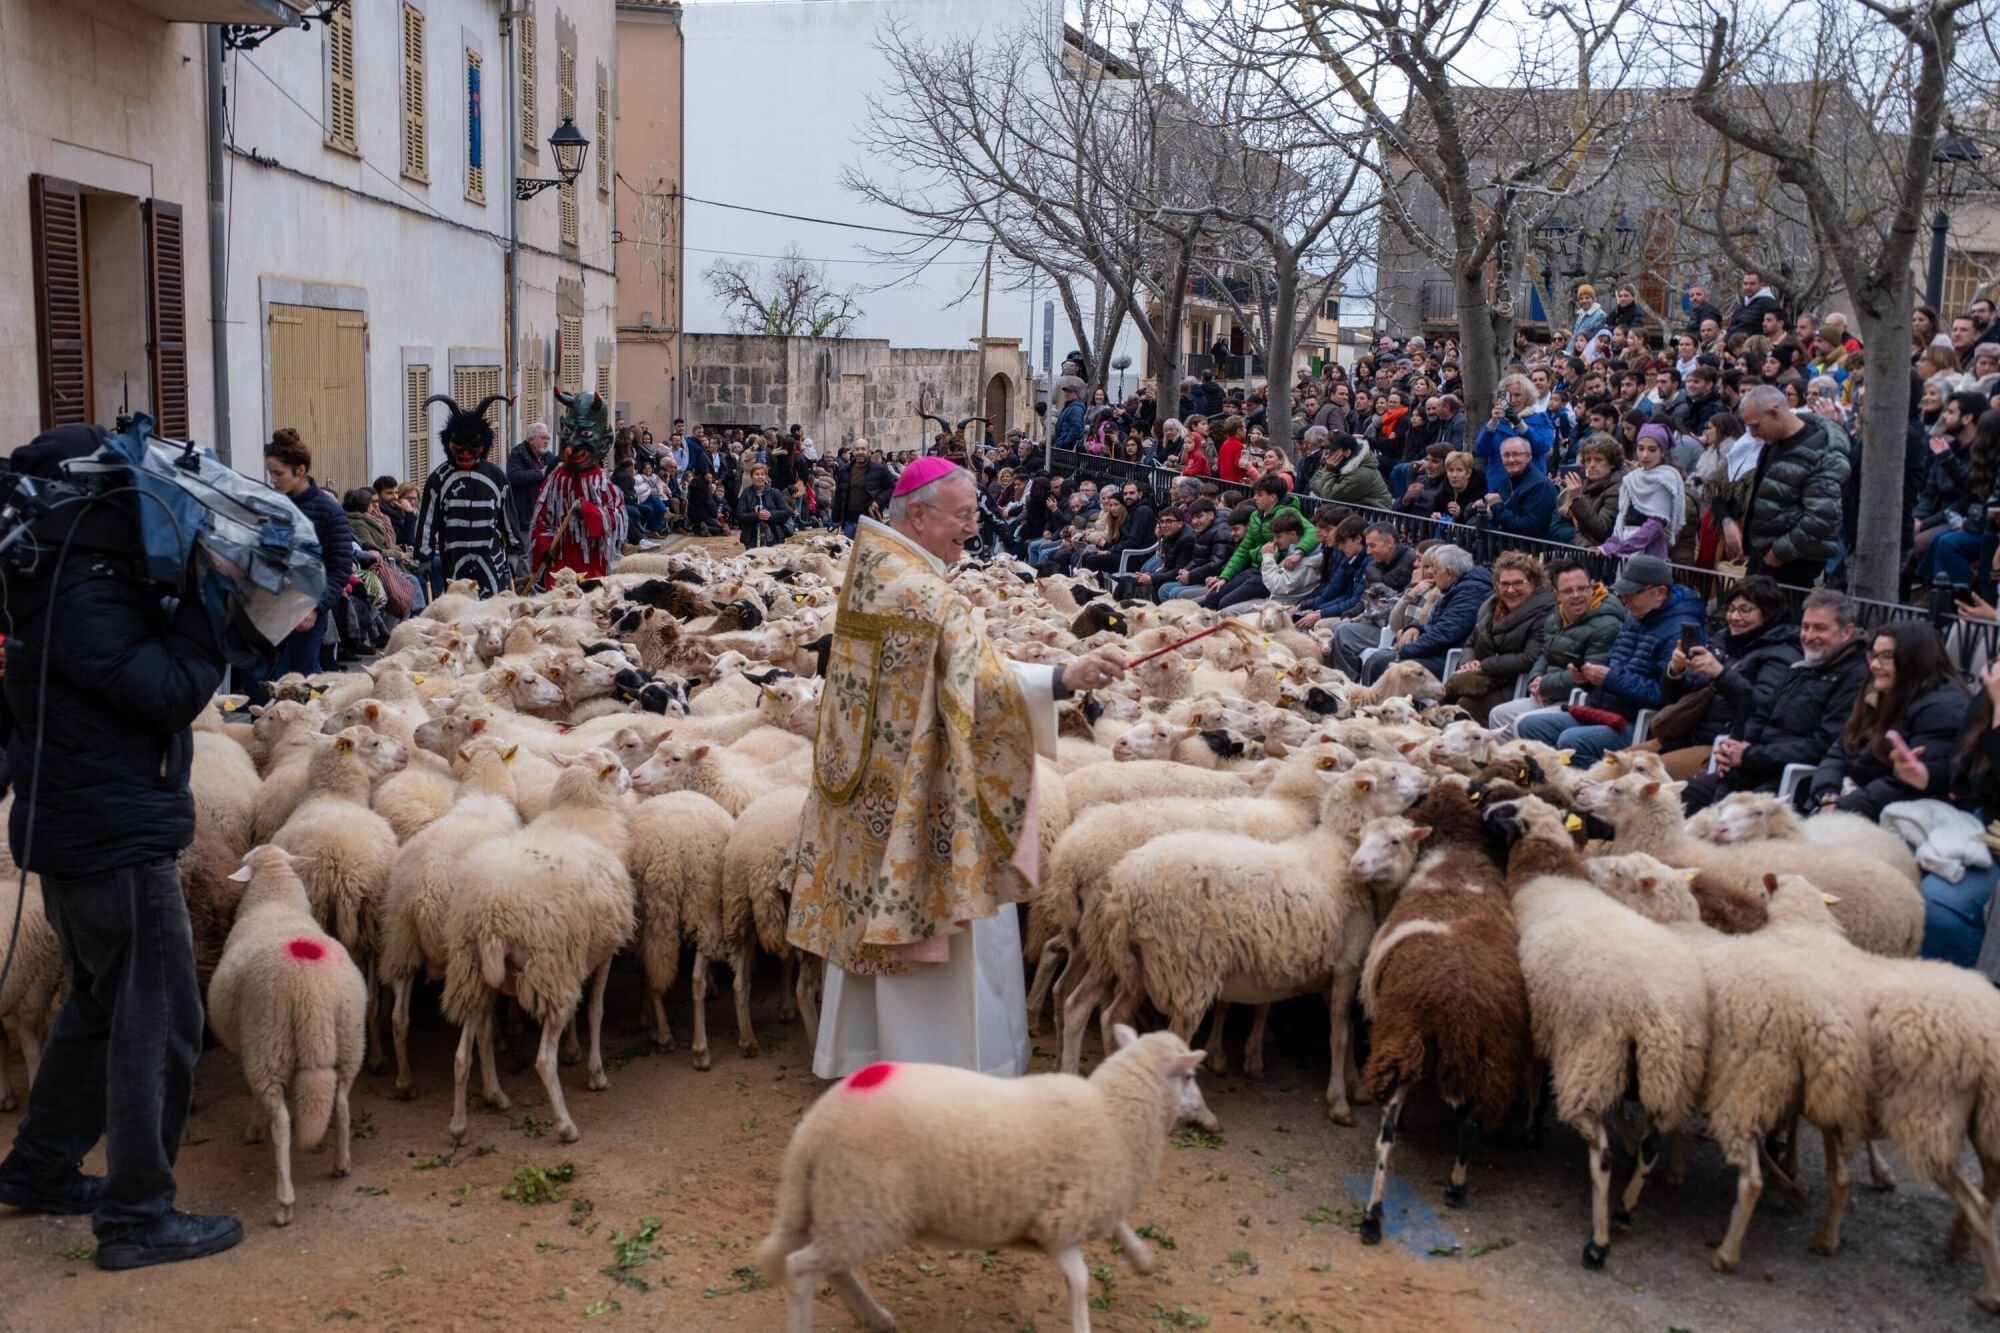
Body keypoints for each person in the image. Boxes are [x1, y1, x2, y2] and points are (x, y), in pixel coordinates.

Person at [784, 458, 1128, 1079]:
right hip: (922, 795)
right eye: (965, 515)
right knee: (938, 929)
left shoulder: (874, 573)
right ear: (919, 513)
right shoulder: (924, 593)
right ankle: (946, 1070)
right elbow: (979, 685)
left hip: (872, 789)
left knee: (874, 922)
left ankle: (865, 1054)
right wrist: (1062, 677)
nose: (974, 527)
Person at [0, 425, 240, 1269]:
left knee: (100, 1007)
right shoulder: (88, 596)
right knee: (160, 1017)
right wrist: (207, 609)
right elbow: (168, 692)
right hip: (112, 837)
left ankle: (39, 1165)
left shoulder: (49, 583)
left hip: (72, 826)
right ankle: (139, 1215)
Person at [1681, 589, 1866, 813]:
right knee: (1676, 801)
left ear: (1846, 632)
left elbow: (1822, 745)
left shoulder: (1855, 677)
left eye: (1820, 628)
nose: (1809, 636)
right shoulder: (1802, 668)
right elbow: (1762, 714)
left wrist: (1748, 755)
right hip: (1751, 767)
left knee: (1723, 822)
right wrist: (1734, 748)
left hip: (1787, 781)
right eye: (1805, 627)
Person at [1515, 556, 1705, 765]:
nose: (1625, 599)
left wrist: (1609, 678)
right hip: (1602, 710)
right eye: (1623, 593)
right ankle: (1550, 785)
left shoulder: (1680, 630)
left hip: (1637, 723)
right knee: (1530, 725)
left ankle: (1585, 791)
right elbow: (1608, 666)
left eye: (1632, 593)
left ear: (1659, 593)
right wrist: (1585, 678)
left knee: (1572, 741)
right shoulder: (1636, 616)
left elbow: (1664, 697)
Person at [1811, 621, 1970, 820]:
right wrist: (1828, 796)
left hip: (1893, 819)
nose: (1875, 665)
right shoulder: (1877, 693)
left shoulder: (1943, 708)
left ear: (1915, 659)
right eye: (1873, 655)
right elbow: (1839, 751)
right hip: (1851, 803)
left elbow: (1902, 785)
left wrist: (1840, 809)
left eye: (1887, 657)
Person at [1653, 575, 1799, 780]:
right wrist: (1675, 671)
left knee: (1638, 776)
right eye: (1731, 609)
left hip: (1720, 745)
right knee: (1618, 763)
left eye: (1745, 610)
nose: (1735, 617)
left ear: (1768, 614)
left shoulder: (1780, 654)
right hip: (1684, 734)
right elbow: (1677, 698)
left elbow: (1762, 707)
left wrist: (1721, 674)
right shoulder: (1721, 640)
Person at [1486, 560, 1627, 738]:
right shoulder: (1556, 617)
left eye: (1582, 589)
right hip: (1547, 693)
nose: (1576, 595)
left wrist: (1544, 684)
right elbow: (1545, 655)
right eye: (1568, 591)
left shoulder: (1608, 625)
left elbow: (1589, 673)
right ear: (1557, 595)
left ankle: (1536, 764)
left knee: (1524, 721)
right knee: (1499, 714)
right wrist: (1536, 678)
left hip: (1577, 698)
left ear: (1591, 588)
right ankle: (1511, 764)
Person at [261, 429, 354, 680]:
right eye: (270, 473)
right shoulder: (269, 505)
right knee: (263, 683)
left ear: (300, 470)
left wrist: (315, 607)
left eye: (278, 473)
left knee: (298, 681)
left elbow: (341, 565)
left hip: (305, 614)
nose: (273, 480)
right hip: (267, 609)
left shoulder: (328, 511)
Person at [1735, 384, 1849, 586]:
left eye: (1755, 426)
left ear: (1774, 413)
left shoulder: (1821, 451)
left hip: (1791, 564)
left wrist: (1779, 552)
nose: (1752, 433)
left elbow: (1822, 517)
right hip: (1764, 558)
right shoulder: (1773, 443)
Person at [414, 393, 517, 597]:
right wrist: (424, 554)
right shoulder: (439, 478)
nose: (465, 454)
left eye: (473, 447)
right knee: (456, 605)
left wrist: (513, 550)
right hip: (454, 553)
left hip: (490, 554)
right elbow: (427, 520)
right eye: (459, 447)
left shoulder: (496, 476)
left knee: (492, 605)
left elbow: (508, 517)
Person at [1444, 551, 1556, 722]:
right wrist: (1469, 662)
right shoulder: (1490, 608)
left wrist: (1483, 665)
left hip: (1515, 683)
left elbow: (1530, 657)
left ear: (1534, 583)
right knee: (1444, 699)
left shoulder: (1545, 612)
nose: (1510, 590)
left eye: (1518, 583)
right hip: (1483, 678)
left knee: (1466, 705)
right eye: (1504, 584)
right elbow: (1470, 643)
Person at [528, 391, 625, 585]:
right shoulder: (555, 480)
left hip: (591, 570)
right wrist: (544, 546)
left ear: (605, 441)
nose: (571, 444)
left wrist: (590, 513)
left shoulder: (604, 484)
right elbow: (541, 519)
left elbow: (617, 520)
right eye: (566, 432)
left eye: (585, 434)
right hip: (559, 570)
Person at [1203, 475, 1318, 609]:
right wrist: (1224, 577)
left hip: (1271, 572)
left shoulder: (1288, 512)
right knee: (1212, 596)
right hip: (1254, 569)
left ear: (1273, 497)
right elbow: (1244, 550)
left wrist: (1299, 552)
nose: (1255, 498)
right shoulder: (1255, 516)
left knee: (1225, 603)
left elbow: (1313, 532)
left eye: (1259, 494)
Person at [1598, 424, 1685, 559]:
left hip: (1648, 553)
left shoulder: (1665, 479)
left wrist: (1621, 546)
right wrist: (1612, 543)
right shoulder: (1631, 478)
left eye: (1652, 450)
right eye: (1640, 448)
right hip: (1624, 550)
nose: (1645, 455)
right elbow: (1621, 517)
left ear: (1662, 452)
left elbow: (1655, 526)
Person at [1472, 373, 1553, 491]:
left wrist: (1519, 424)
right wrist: (1493, 422)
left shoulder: (1540, 420)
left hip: (1531, 487)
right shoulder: (1496, 424)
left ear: (1527, 396)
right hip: (1500, 487)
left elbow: (1541, 447)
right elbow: (1480, 451)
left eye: (1518, 395)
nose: (1513, 400)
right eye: (1509, 396)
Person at [1294, 513, 1372, 628]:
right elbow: (1345, 594)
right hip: (1351, 609)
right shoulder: (1353, 559)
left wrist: (1320, 613)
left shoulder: (1367, 562)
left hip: (1360, 614)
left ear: (1358, 539)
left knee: (1320, 624)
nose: (1340, 547)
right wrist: (1318, 610)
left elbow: (1354, 600)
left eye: (1343, 543)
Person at [1153, 499, 1237, 601]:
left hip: (1213, 579)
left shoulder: (1221, 532)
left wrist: (1190, 576)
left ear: (1211, 515)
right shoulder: (1203, 530)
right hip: (1203, 575)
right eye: (1192, 518)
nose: (1194, 521)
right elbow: (1197, 559)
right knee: (1163, 587)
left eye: (1199, 516)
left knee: (1171, 591)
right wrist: (1185, 570)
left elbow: (1216, 564)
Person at [1483, 438, 1568, 540]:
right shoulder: (1510, 480)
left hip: (1530, 551)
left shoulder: (1539, 486)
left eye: (1516, 454)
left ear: (1528, 456)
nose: (1511, 460)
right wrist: (1483, 507)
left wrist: (1496, 507)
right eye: (1506, 455)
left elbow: (1529, 527)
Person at [1558, 436, 1626, 547]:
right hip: (1586, 551)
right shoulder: (1586, 484)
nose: (1592, 465)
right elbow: (1580, 529)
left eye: (1598, 460)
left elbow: (1602, 531)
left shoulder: (1617, 488)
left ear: (1612, 463)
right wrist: (1586, 547)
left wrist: (1576, 498)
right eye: (1588, 460)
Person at [1307, 432, 1392, 509]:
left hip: (1372, 519)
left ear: (1347, 452)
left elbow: (1331, 497)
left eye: (1333, 451)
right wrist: (1328, 470)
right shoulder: (1336, 466)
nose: (1329, 454)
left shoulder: (1362, 473)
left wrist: (1329, 471)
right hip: (1352, 514)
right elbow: (1313, 482)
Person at [506, 422, 555, 552]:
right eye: (543, 438)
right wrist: (541, 473)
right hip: (524, 519)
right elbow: (514, 476)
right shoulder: (518, 454)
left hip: (543, 518)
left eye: (548, 439)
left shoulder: (548, 457)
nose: (547, 442)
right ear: (532, 439)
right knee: (525, 555)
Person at [832, 439, 895, 538]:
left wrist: (878, 501)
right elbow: (839, 494)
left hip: (871, 521)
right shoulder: (844, 470)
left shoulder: (880, 469)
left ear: (869, 451)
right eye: (857, 449)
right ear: (853, 452)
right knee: (849, 552)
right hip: (849, 522)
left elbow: (891, 488)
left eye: (863, 449)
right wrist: (835, 519)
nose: (860, 452)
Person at [735, 461, 795, 548]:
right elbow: (740, 515)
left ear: (766, 477)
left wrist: (768, 514)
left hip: (774, 535)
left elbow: (786, 513)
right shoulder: (746, 493)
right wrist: (757, 516)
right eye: (756, 474)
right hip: (752, 536)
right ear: (752, 477)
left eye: (762, 474)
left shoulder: (775, 493)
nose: (760, 477)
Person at [1727, 270, 1784, 339]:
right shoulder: (1743, 303)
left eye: (1752, 284)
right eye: (1745, 284)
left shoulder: (1768, 303)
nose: (1748, 287)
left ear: (1761, 285)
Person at [1051, 377, 1087, 451]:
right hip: (1063, 446)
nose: (1067, 394)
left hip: (1067, 448)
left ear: (1076, 394)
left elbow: (1076, 429)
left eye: (1070, 392)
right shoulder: (1069, 406)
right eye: (1066, 392)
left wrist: (1065, 443)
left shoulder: (1076, 408)